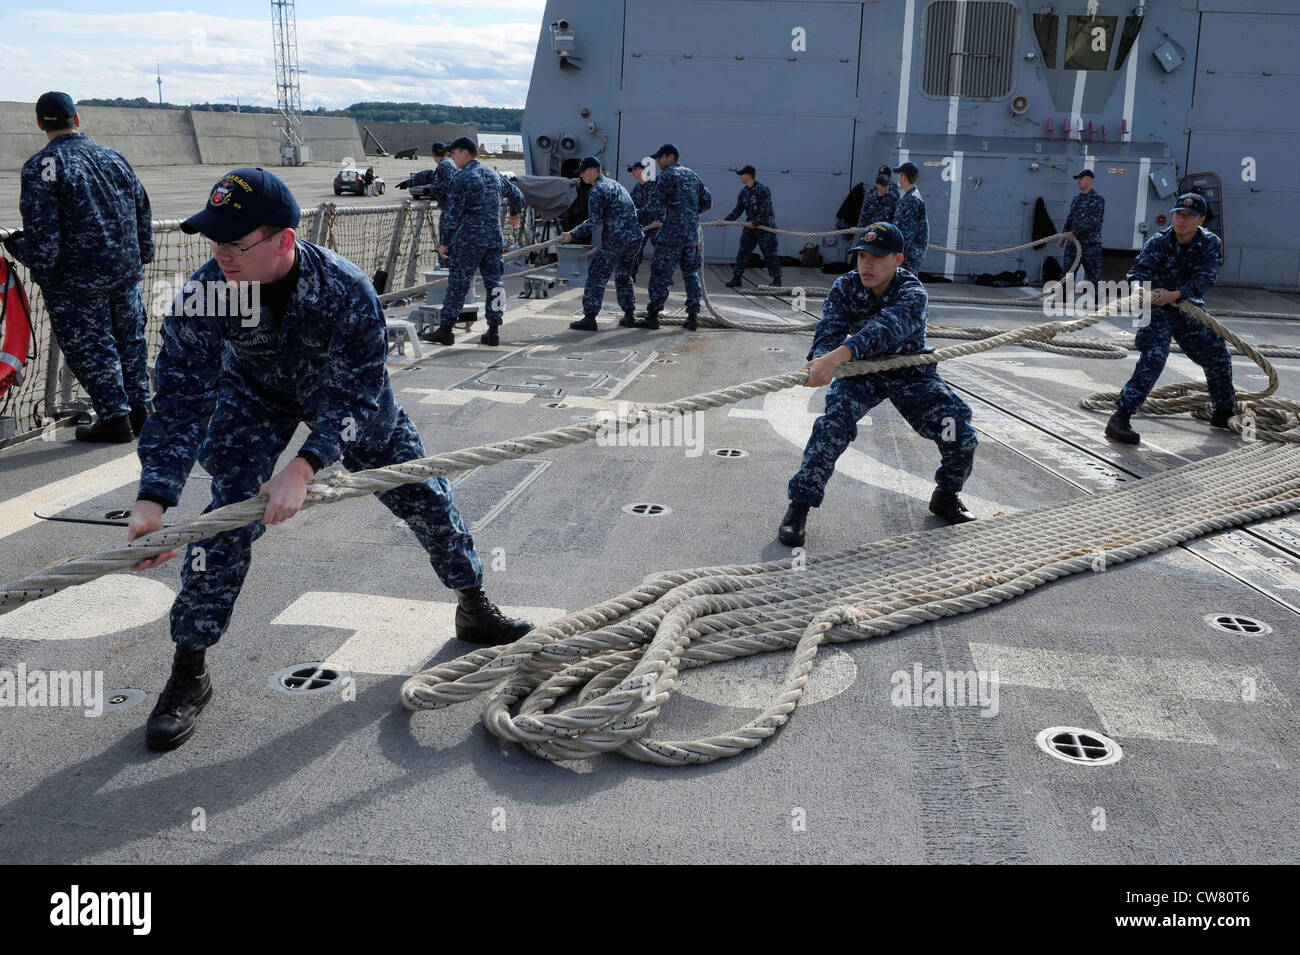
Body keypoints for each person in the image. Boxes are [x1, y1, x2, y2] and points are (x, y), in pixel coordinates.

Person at [126, 167, 533, 751]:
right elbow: (181, 397)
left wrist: (305, 465)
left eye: (236, 244)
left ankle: (472, 603)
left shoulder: (345, 288)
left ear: (283, 239)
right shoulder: (208, 291)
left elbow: (360, 390)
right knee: (227, 520)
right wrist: (154, 495)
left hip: (345, 397)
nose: (221, 256)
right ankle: (189, 670)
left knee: (422, 496)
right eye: (214, 241)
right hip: (255, 395)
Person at [779, 222, 978, 546]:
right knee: (832, 427)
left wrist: (835, 358)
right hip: (860, 372)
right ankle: (798, 507)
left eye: (876, 257)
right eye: (861, 256)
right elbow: (829, 329)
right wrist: (820, 361)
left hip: (910, 370)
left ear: (898, 260)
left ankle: (946, 495)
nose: (866, 264)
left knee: (958, 430)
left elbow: (884, 330)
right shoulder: (846, 286)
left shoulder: (912, 292)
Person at [2, 91, 154, 442]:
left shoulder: (44, 166)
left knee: (92, 345)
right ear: (77, 118)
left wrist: (18, 247)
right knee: (130, 340)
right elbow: (142, 210)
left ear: (40, 122)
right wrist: (141, 254)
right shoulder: (114, 158)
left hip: (77, 278)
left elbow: (44, 237)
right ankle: (140, 409)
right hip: (124, 269)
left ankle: (115, 418)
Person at [1105, 193, 1233, 445]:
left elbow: (1205, 279)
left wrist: (1176, 294)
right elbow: (1138, 271)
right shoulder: (1160, 241)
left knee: (1217, 352)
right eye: (1178, 214)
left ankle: (1224, 411)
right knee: (1155, 355)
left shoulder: (1210, 243)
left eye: (1188, 216)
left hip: (1186, 304)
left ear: (1201, 219)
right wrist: (1139, 289)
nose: (1181, 220)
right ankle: (1120, 418)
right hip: (1155, 307)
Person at [427, 136, 524, 347]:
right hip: (493, 240)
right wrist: (514, 211)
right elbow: (517, 193)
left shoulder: (463, 178)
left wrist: (444, 242)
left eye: (453, 153)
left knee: (458, 283)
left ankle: (445, 330)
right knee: (495, 284)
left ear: (464, 153)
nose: (452, 158)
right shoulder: (494, 175)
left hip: (469, 241)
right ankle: (494, 330)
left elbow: (452, 215)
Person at [561, 157, 643, 330]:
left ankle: (589, 318)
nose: (581, 176)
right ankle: (629, 315)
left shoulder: (598, 190)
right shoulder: (616, 185)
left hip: (616, 238)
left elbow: (594, 222)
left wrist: (572, 235)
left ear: (592, 171)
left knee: (597, 275)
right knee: (623, 275)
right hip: (634, 238)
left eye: (583, 172)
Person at [642, 143, 712, 331]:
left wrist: (634, 216)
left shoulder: (667, 176)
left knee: (661, 272)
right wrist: (689, 212)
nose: (657, 161)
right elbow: (707, 202)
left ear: (670, 157)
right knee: (691, 274)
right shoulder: (693, 175)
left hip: (672, 233)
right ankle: (692, 317)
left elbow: (654, 207)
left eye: (660, 158)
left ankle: (653, 316)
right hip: (692, 235)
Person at [719, 165, 782, 288]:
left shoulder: (762, 190)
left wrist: (755, 222)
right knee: (743, 251)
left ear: (748, 175)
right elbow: (737, 210)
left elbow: (766, 209)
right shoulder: (744, 192)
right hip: (750, 229)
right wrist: (725, 221)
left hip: (765, 229)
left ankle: (777, 279)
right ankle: (737, 278)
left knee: (770, 254)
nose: (740, 176)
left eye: (742, 174)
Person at [1059, 169, 1104, 285]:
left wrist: (1074, 233)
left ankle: (1098, 302)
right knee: (1067, 274)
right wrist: (1064, 235)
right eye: (1078, 179)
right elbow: (1070, 218)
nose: (1078, 182)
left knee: (1094, 275)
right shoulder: (1076, 199)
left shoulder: (1097, 200)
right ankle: (1064, 301)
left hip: (1090, 245)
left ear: (1089, 180)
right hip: (1073, 244)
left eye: (1081, 179)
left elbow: (1091, 221)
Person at [891, 161, 929, 276]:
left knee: (904, 288)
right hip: (908, 255)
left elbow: (907, 234)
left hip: (907, 257)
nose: (898, 177)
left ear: (903, 176)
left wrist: (895, 256)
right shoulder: (911, 196)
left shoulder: (911, 200)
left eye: (900, 174)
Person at [627, 160, 660, 282]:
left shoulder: (654, 184)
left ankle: (662, 276)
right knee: (636, 250)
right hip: (643, 225)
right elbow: (631, 205)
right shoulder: (637, 188)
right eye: (632, 171)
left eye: (636, 169)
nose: (634, 173)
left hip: (657, 224)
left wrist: (659, 220)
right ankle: (631, 274)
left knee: (661, 251)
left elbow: (662, 202)